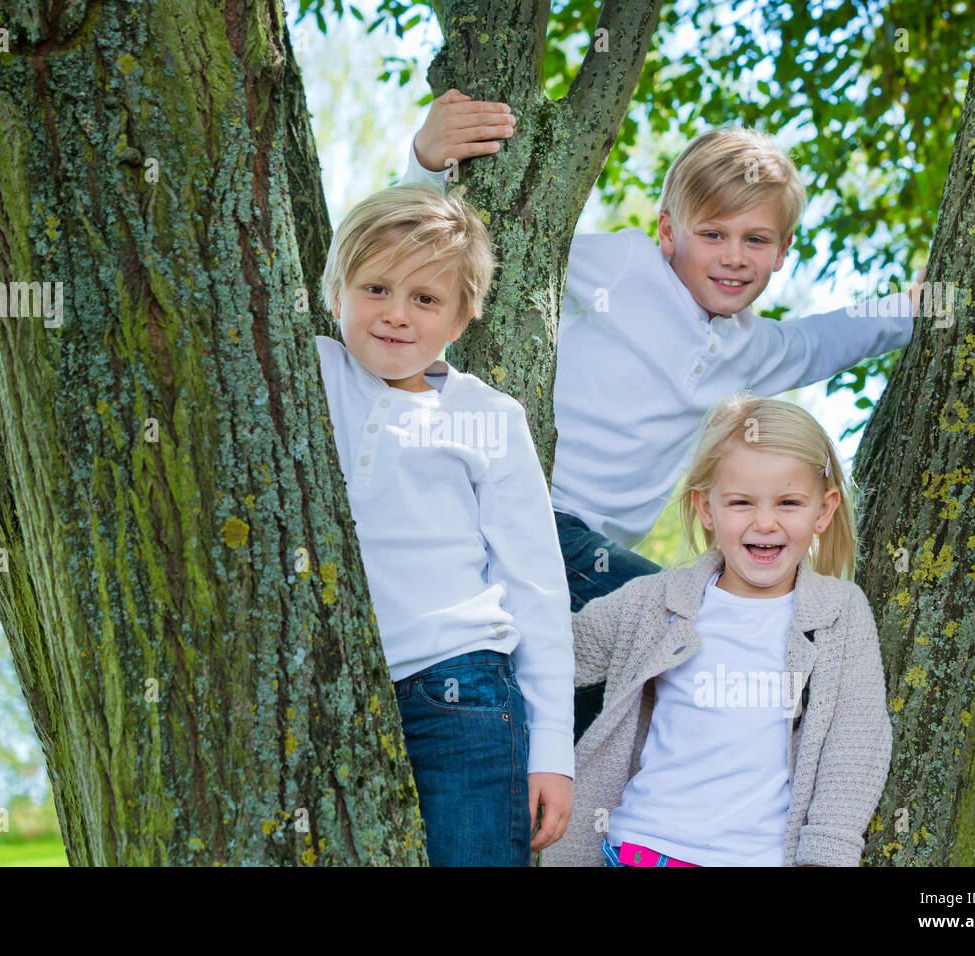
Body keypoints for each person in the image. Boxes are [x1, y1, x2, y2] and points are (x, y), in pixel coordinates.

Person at [402, 92, 919, 739]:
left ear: (783, 250)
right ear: (668, 232)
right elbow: (461, 253)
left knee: (601, 702)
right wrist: (428, 162)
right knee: (686, 616)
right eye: (713, 234)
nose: (734, 256)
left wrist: (918, 304)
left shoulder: (748, 348)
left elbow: (822, 342)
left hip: (585, 558)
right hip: (525, 514)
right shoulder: (623, 267)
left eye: (755, 239)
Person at [315, 182, 574, 865]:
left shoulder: (487, 416)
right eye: (375, 290)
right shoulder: (313, 372)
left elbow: (537, 589)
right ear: (335, 295)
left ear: (460, 321)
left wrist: (551, 752)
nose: (397, 315)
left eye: (425, 299)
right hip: (333, 683)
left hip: (458, 692)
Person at [538, 393, 893, 866]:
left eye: (789, 503)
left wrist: (826, 855)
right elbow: (558, 655)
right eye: (741, 502)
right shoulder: (658, 601)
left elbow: (858, 739)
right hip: (642, 852)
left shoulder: (838, 614)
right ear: (707, 508)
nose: (764, 522)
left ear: (823, 511)